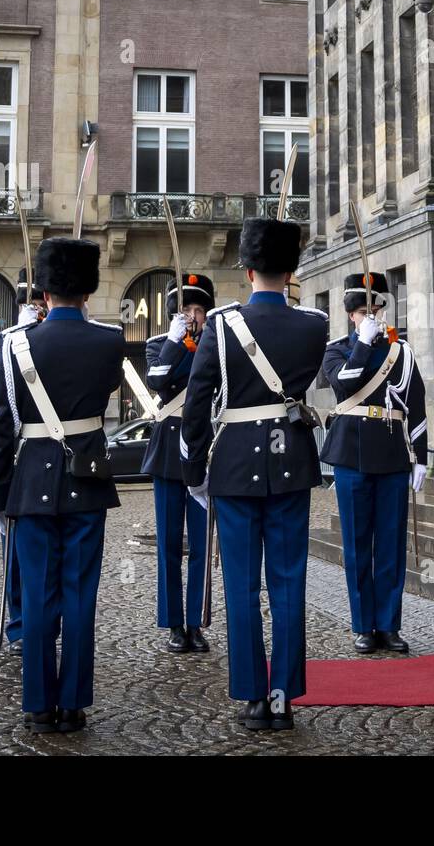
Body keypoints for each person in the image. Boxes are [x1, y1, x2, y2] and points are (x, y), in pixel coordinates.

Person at [180, 217, 328, 731]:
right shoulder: (315, 324)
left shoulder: (222, 326)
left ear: (246, 271)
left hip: (237, 462)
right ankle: (285, 694)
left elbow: (197, 404)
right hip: (291, 461)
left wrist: (194, 465)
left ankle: (251, 693)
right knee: (288, 581)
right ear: (292, 272)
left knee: (241, 584)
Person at [0, 237, 124, 734]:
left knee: (39, 596)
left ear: (42, 292)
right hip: (87, 479)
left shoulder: (15, 343)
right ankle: (74, 703)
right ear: (88, 291)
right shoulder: (110, 340)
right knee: (80, 595)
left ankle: (38, 704)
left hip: (32, 480)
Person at [319, 271, 428, 655]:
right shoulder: (337, 350)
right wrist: (362, 346)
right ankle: (363, 624)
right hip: (350, 455)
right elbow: (343, 385)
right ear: (351, 315)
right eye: (363, 311)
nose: (372, 316)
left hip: (393, 451)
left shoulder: (402, 351)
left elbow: (416, 403)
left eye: (376, 309)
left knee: (391, 545)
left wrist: (421, 456)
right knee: (356, 544)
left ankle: (389, 624)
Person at [144, 273, 214, 654]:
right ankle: (173, 622)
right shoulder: (158, 344)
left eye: (198, 309)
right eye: (186, 309)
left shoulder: (216, 346)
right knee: (169, 543)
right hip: (169, 451)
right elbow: (156, 379)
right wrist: (175, 340)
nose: (192, 316)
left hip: (203, 448)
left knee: (202, 545)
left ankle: (196, 621)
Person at [0, 266, 45, 654]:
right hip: (17, 461)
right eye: (30, 303)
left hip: (47, 455)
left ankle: (44, 620)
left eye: (41, 302)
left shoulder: (52, 340)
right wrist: (17, 334)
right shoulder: (3, 339)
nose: (37, 308)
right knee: (16, 554)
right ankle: (20, 623)